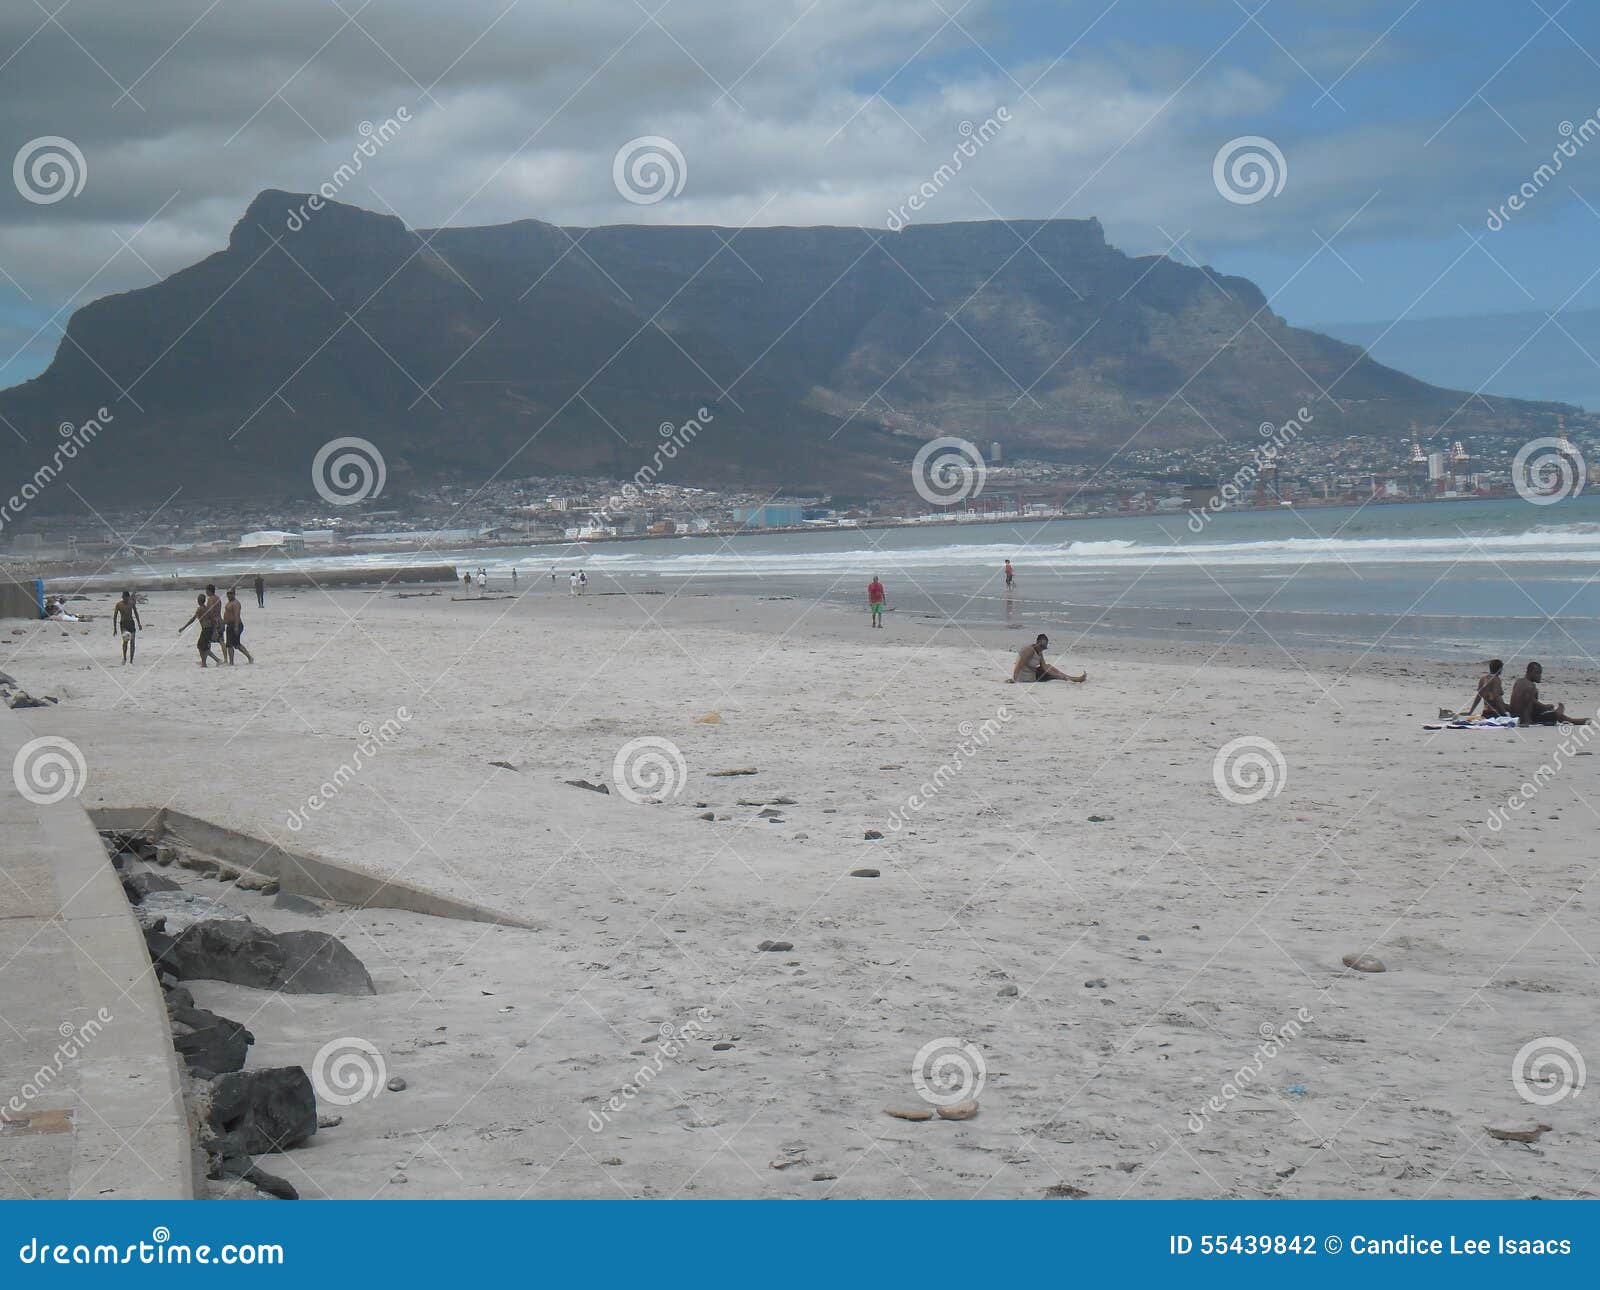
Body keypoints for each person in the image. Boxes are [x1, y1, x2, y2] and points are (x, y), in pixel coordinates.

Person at [1509, 661, 1588, 726]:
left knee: (1550, 710)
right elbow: (1528, 701)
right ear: (1529, 672)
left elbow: (1528, 701)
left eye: (1540, 673)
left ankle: (1563, 714)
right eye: (1537, 673)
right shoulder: (1531, 685)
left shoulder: (1518, 681)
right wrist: (1545, 707)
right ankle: (1571, 720)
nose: (1540, 676)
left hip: (1514, 714)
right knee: (1554, 714)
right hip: (1526, 717)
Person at [1009, 633, 1086, 683]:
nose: (1042, 648)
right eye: (1041, 646)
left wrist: (1055, 673)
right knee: (1052, 674)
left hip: (1033, 674)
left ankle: (1070, 678)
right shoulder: (1029, 650)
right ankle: (1072, 679)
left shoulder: (1039, 651)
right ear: (1037, 643)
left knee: (1050, 670)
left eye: (1044, 647)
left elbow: (1044, 666)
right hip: (1025, 677)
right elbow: (1018, 666)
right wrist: (1014, 679)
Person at [178, 594, 222, 667]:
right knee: (202, 646)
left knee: (201, 646)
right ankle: (204, 663)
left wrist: (183, 627)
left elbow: (193, 619)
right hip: (209, 629)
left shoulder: (200, 609)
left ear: (198, 601)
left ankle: (217, 660)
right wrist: (215, 630)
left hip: (206, 630)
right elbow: (213, 620)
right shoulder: (207, 608)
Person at [222, 588, 254, 665]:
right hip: (229, 625)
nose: (229, 595)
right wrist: (224, 623)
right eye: (228, 593)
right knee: (229, 644)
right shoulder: (228, 603)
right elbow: (227, 615)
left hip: (236, 624)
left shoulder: (236, 603)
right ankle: (232, 662)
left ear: (234, 594)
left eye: (231, 593)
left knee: (236, 644)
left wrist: (236, 626)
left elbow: (236, 615)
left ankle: (249, 657)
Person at [112, 590, 141, 664]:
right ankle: (124, 657)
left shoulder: (131, 603)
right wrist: (115, 628)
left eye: (126, 598)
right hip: (123, 625)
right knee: (125, 641)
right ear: (122, 597)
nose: (125, 599)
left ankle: (131, 660)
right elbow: (115, 616)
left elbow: (136, 612)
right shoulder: (118, 604)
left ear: (128, 597)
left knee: (132, 642)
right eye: (124, 598)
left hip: (131, 623)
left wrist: (139, 623)